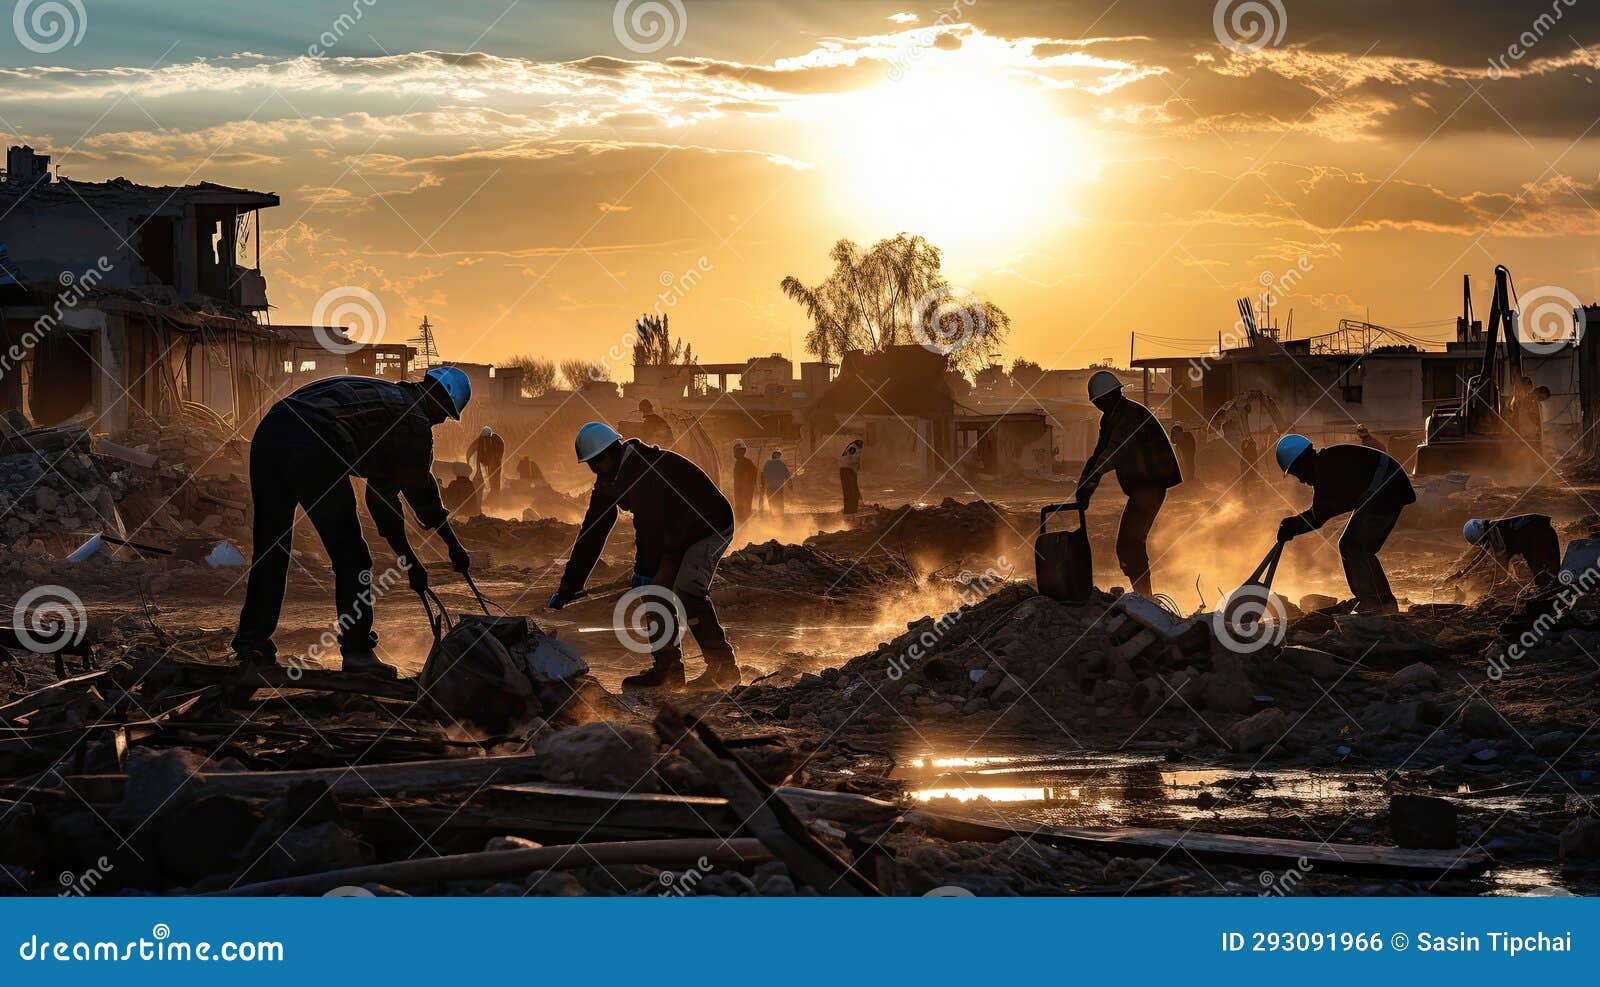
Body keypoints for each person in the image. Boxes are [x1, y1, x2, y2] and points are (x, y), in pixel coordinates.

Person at [232, 367, 474, 677]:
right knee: (353, 559)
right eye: (445, 413)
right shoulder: (413, 422)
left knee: (271, 549)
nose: (441, 421)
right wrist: (428, 556)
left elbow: (390, 497)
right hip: (316, 442)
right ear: (438, 397)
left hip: (271, 433)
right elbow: (406, 499)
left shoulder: (388, 400)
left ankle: (252, 646)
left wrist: (434, 553)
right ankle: (358, 652)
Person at [547, 422, 739, 691]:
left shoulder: (645, 473)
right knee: (653, 591)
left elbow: (650, 531)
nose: (594, 469)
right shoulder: (610, 479)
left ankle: (724, 669)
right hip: (675, 530)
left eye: (597, 462)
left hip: (707, 525)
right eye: (590, 464)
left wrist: (644, 571)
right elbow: (593, 530)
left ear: (613, 452)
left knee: (687, 589)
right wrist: (570, 584)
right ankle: (668, 671)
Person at [1274, 434, 1415, 614]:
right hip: (1384, 489)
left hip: (1388, 490)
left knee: (1353, 546)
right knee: (1355, 546)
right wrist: (1292, 525)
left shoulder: (1328, 471)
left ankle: (1376, 603)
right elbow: (1321, 512)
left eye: (1299, 473)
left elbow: (1317, 518)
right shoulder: (1328, 463)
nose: (1301, 480)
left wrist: (1292, 526)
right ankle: (1377, 601)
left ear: (1305, 461)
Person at [1076, 370, 1182, 598]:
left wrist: (1089, 485)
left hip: (1151, 486)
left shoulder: (1129, 417)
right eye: (1097, 403)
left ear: (1111, 396)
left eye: (1099, 402)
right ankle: (1144, 596)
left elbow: (1112, 453)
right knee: (1129, 544)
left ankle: (1145, 598)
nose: (1098, 407)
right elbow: (1099, 452)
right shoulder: (1112, 417)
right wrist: (1083, 485)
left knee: (1129, 544)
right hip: (1142, 488)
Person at [1464, 514, 1561, 590]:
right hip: (1548, 533)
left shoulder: (1495, 535)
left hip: (1538, 540)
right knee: (1554, 574)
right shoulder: (1497, 525)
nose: (1485, 545)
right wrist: (1463, 573)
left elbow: (1501, 567)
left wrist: (1493, 592)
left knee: (1543, 580)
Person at [468, 426, 505, 500]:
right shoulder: (480, 440)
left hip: (494, 461)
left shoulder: (496, 439)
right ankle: (490, 495)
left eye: (487, 438)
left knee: (495, 479)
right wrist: (468, 460)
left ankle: (495, 495)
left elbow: (501, 448)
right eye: (484, 438)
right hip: (484, 461)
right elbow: (471, 450)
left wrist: (497, 457)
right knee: (485, 478)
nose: (486, 439)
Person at [731, 439, 758, 524]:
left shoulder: (744, 463)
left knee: (742, 514)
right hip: (743, 494)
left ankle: (743, 529)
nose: (735, 453)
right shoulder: (745, 462)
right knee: (743, 513)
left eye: (736, 451)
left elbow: (753, 477)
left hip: (743, 494)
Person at [762, 450, 790, 515]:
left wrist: (762, 485)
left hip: (770, 488)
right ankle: (779, 518)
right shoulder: (781, 464)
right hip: (779, 488)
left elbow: (763, 475)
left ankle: (772, 516)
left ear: (772, 456)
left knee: (771, 503)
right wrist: (790, 484)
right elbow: (787, 475)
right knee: (779, 504)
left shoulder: (767, 463)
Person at [838, 439, 862, 514]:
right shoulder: (855, 448)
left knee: (847, 491)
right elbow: (855, 459)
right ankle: (852, 510)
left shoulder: (850, 447)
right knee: (853, 491)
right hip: (848, 470)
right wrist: (857, 466)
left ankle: (848, 510)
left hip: (843, 469)